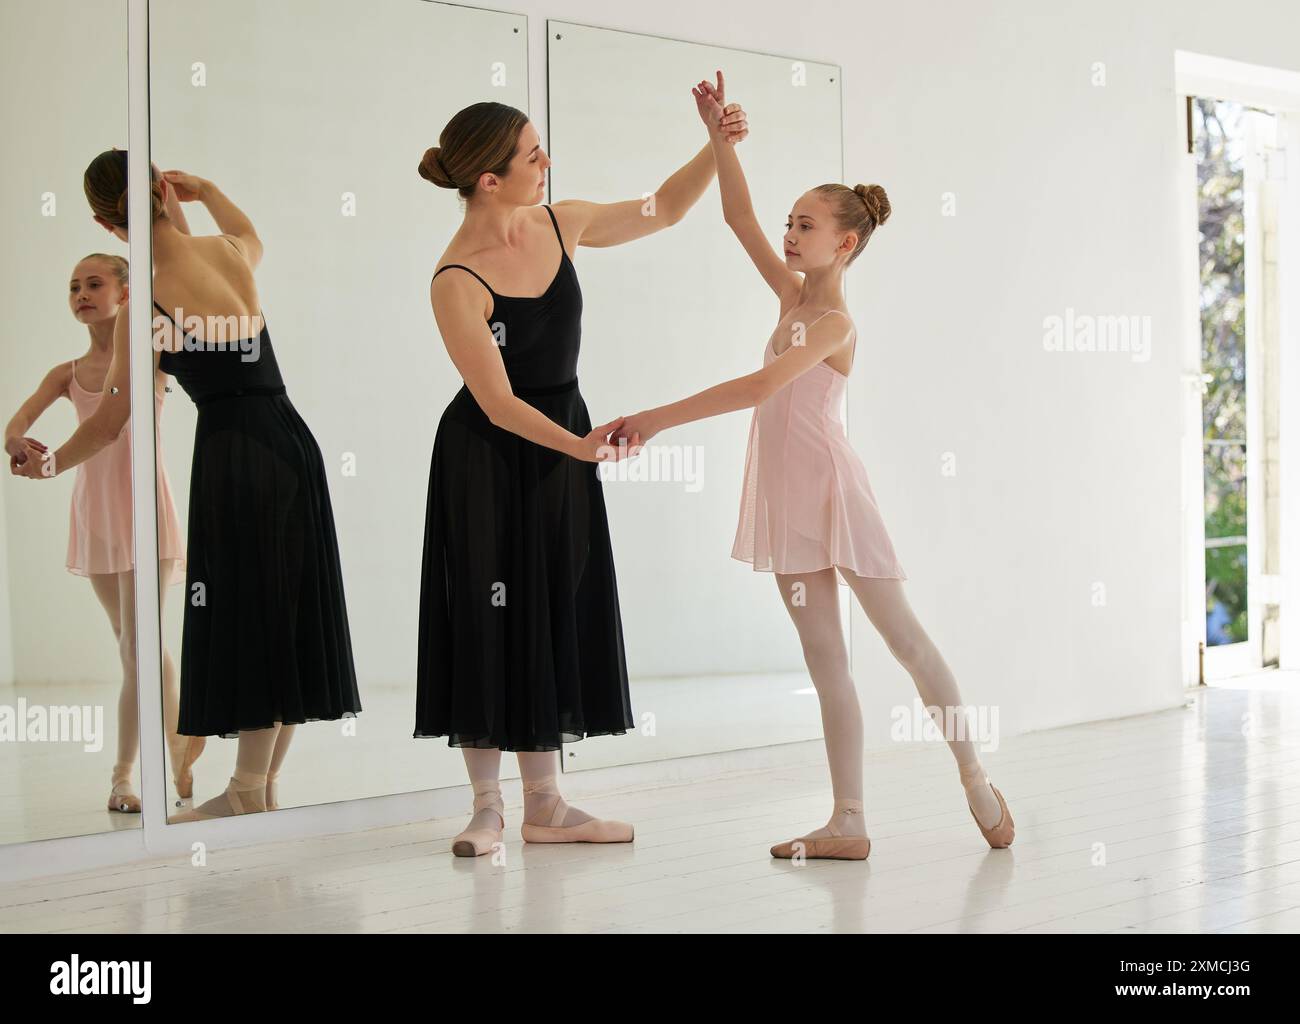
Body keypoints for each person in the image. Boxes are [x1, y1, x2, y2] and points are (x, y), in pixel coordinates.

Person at [615, 73, 1015, 860]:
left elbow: (761, 387)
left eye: (805, 224)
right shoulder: (789, 300)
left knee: (906, 643)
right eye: (790, 222)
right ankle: (849, 820)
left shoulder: (832, 322)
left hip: (836, 493)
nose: (790, 234)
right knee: (825, 660)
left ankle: (974, 774)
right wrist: (719, 141)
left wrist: (655, 420)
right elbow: (734, 215)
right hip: (789, 498)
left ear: (846, 242)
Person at [415, 94, 749, 856]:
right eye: (533, 155)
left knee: (547, 607)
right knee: (488, 615)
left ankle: (546, 804)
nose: (547, 163)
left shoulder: (560, 223)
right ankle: (485, 807)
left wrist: (712, 143)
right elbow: (495, 403)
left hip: (565, 443)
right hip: (489, 457)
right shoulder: (455, 279)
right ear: (490, 181)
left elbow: (661, 210)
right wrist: (579, 447)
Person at [5, 249, 198, 813]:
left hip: (146, 511)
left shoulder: (153, 357)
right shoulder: (66, 375)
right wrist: (16, 442)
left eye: (94, 284)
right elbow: (16, 424)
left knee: (141, 642)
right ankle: (171, 754)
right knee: (131, 644)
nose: (81, 294)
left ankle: (133, 773)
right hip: (96, 515)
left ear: (125, 293)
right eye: (73, 287)